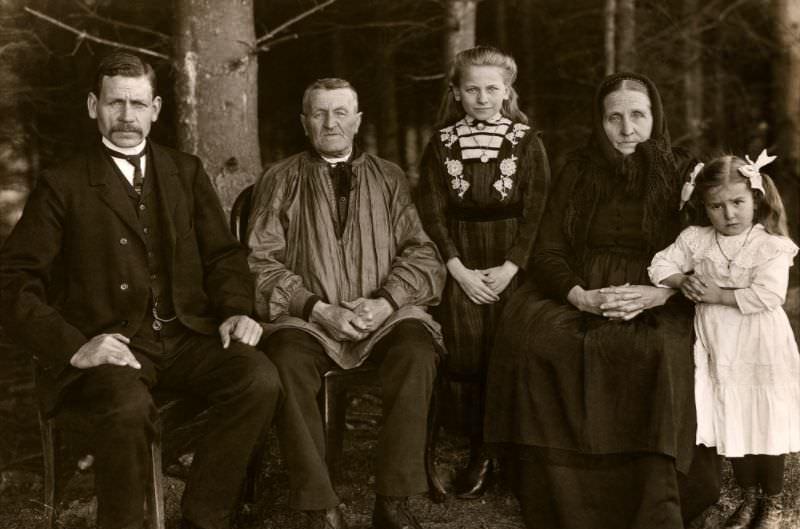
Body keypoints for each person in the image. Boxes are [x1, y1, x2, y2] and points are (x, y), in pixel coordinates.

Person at [0, 51, 281, 529]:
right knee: (128, 408)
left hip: (187, 335)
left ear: (156, 109)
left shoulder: (185, 172)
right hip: (112, 345)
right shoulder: (63, 183)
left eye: (137, 104)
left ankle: (203, 517)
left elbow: (222, 256)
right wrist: (75, 346)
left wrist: (235, 309)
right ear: (94, 106)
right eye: (115, 104)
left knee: (258, 379)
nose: (126, 117)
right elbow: (12, 281)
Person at [484, 71, 721, 529]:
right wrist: (580, 296)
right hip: (582, 286)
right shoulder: (576, 168)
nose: (627, 129)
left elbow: (708, 248)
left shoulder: (685, 169)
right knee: (542, 343)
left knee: (656, 351)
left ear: (655, 116)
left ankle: (655, 501)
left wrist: (658, 294)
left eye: (637, 116)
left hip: (660, 291)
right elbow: (548, 248)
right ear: (601, 121)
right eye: (615, 118)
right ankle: (563, 500)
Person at [247, 78, 445, 529]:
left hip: (383, 316)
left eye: (340, 113)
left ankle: (393, 500)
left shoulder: (390, 176)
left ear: (357, 121)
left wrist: (386, 301)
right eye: (319, 113)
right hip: (310, 319)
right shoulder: (281, 178)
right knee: (284, 359)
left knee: (417, 349)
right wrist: (318, 309)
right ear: (304, 122)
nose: (330, 122)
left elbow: (421, 251)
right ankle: (318, 504)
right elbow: (260, 262)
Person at [415, 45, 550, 498]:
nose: (483, 97)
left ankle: (512, 450)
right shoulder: (441, 143)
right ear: (456, 92)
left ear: (507, 90)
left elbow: (537, 211)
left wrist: (512, 266)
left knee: (514, 350)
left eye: (492, 88)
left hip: (512, 263)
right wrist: (458, 269)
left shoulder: (527, 141)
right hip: (462, 263)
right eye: (471, 88)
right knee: (468, 352)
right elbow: (431, 210)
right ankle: (479, 448)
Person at [649, 151, 799, 529]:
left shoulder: (769, 245)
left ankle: (774, 504)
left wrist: (717, 294)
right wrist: (682, 281)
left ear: (756, 199)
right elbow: (659, 265)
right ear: (704, 206)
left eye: (737, 203)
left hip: (760, 345)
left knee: (764, 421)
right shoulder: (696, 240)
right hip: (720, 346)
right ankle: (748, 498)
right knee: (733, 417)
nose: (729, 214)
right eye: (717, 206)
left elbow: (770, 295)